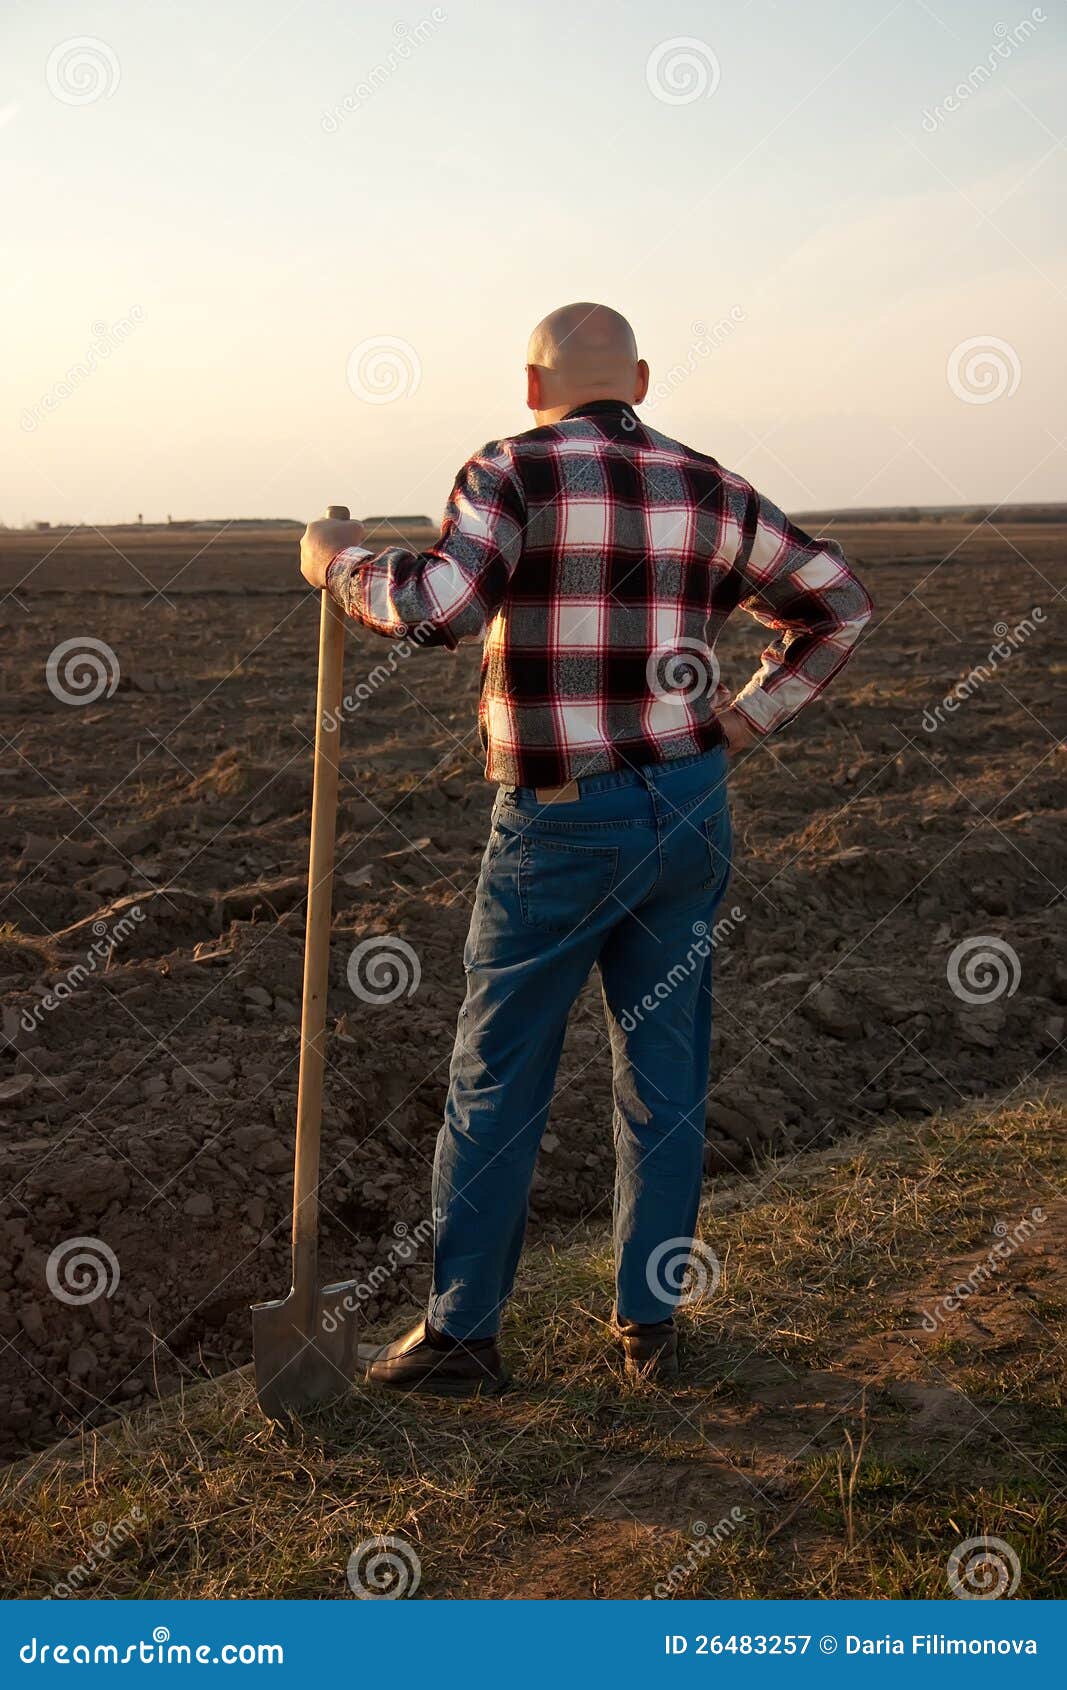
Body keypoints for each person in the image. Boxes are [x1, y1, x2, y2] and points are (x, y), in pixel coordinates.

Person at [299, 302, 872, 1394]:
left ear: (530, 386)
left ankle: (464, 1337)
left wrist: (336, 563)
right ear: (642, 381)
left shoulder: (510, 468)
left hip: (561, 822)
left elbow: (441, 607)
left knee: (497, 1071)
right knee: (664, 1071)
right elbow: (836, 603)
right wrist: (745, 721)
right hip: (691, 808)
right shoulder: (708, 486)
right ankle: (650, 1332)